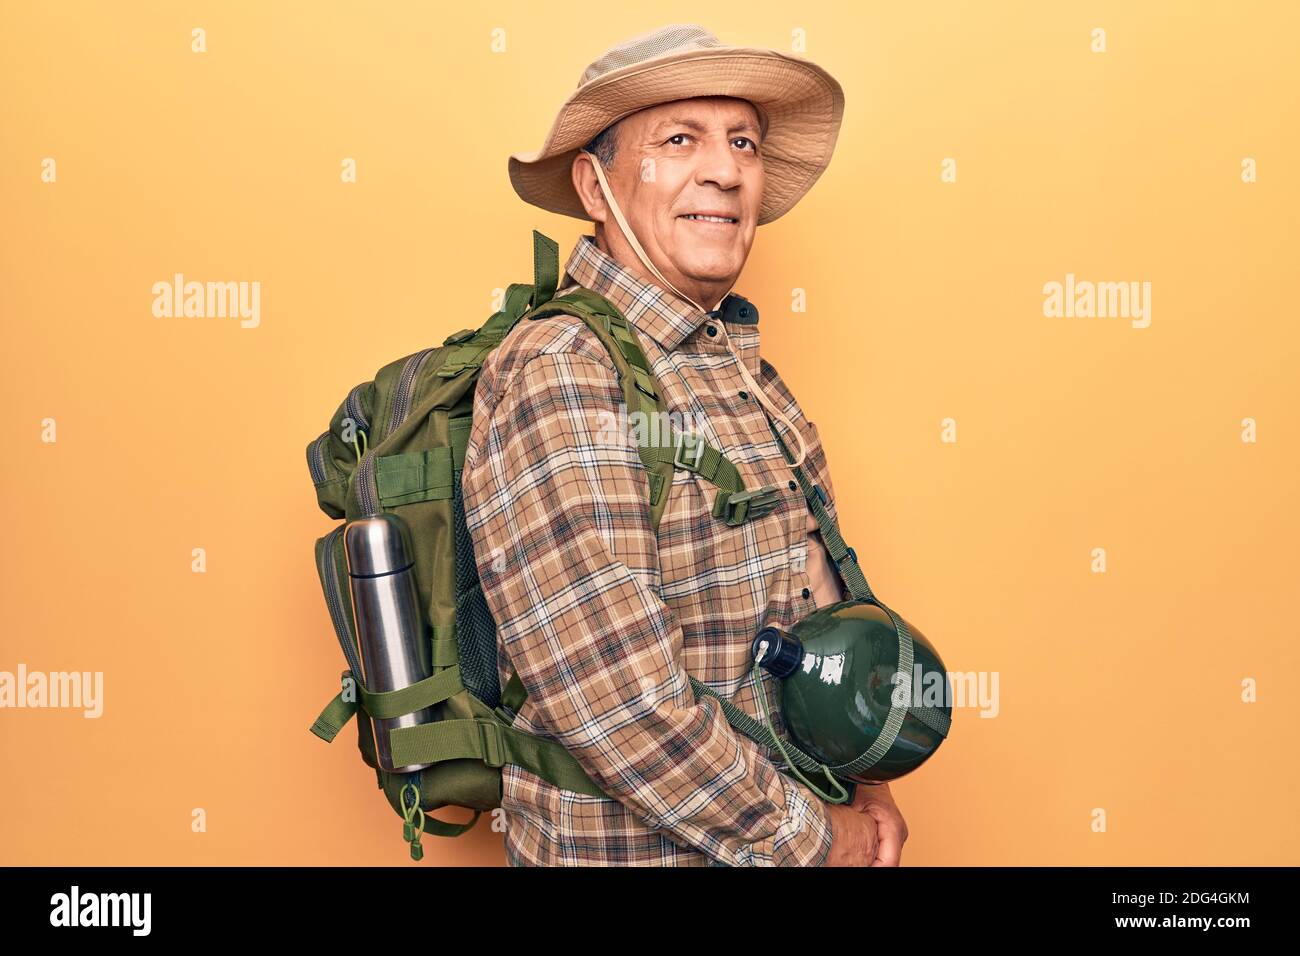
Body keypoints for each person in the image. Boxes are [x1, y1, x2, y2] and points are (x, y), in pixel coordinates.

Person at [461, 23, 907, 866]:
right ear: (596, 187)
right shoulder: (564, 372)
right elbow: (619, 704)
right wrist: (821, 842)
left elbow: (824, 611)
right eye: (680, 139)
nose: (727, 169)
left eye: (743, 141)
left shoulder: (747, 377)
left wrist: (869, 774)